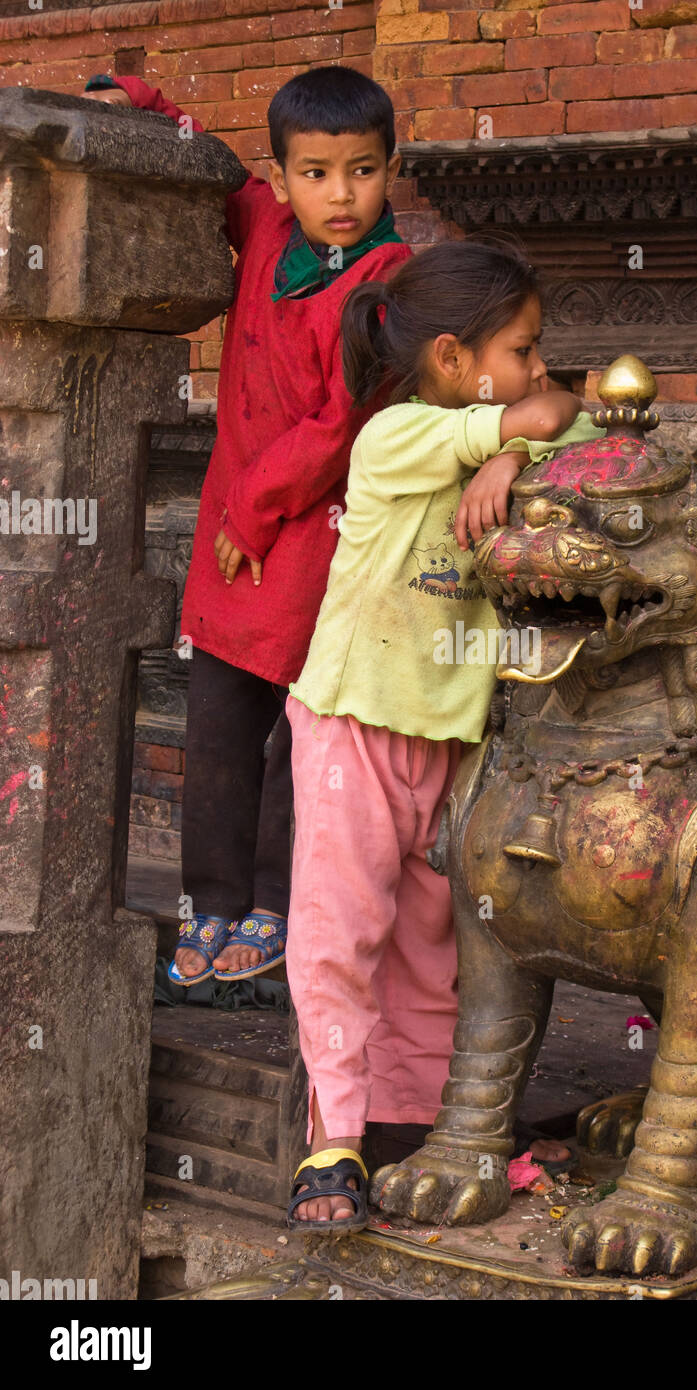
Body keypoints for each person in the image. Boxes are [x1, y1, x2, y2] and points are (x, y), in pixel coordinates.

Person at [284, 240, 604, 1228]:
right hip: (354, 724)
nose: (538, 365)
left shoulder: (483, 433)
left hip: (448, 738)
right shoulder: (392, 437)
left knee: (436, 947)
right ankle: (330, 1138)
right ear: (455, 362)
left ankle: (423, 1127)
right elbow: (552, 410)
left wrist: (508, 450)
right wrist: (510, 434)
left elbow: (578, 421)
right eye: (523, 347)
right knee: (342, 933)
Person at [83, 67, 412, 984]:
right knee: (219, 724)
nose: (339, 196)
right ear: (284, 175)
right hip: (233, 526)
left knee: (297, 732)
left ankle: (276, 901)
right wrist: (137, 100)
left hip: (314, 529)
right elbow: (211, 165)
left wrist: (255, 513)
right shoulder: (265, 228)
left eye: (360, 171)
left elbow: (340, 420)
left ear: (393, 168)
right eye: (314, 173)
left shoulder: (390, 281)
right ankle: (212, 902)